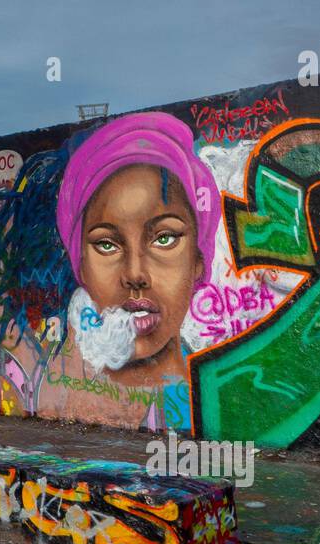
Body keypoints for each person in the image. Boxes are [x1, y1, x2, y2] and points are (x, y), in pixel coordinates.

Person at [51, 111, 221, 424]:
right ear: (81, 268)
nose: (134, 274)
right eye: (106, 245)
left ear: (198, 262)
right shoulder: (50, 382)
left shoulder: (221, 398)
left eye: (165, 238)